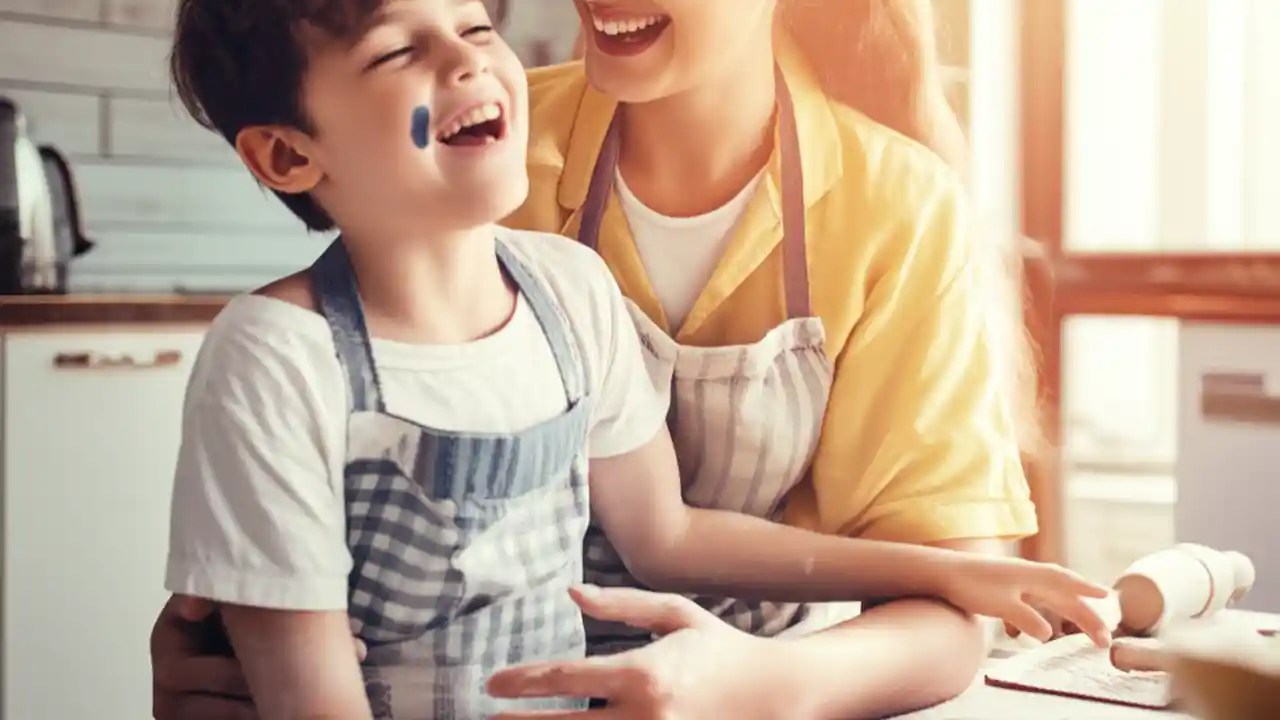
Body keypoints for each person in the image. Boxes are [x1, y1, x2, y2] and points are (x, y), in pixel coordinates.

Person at [150, 0, 1093, 718]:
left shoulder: (893, 207)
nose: (468, 59)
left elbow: (678, 536)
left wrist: (754, 684)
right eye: (404, 47)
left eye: (476, 27)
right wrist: (225, 640)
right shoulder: (486, 161)